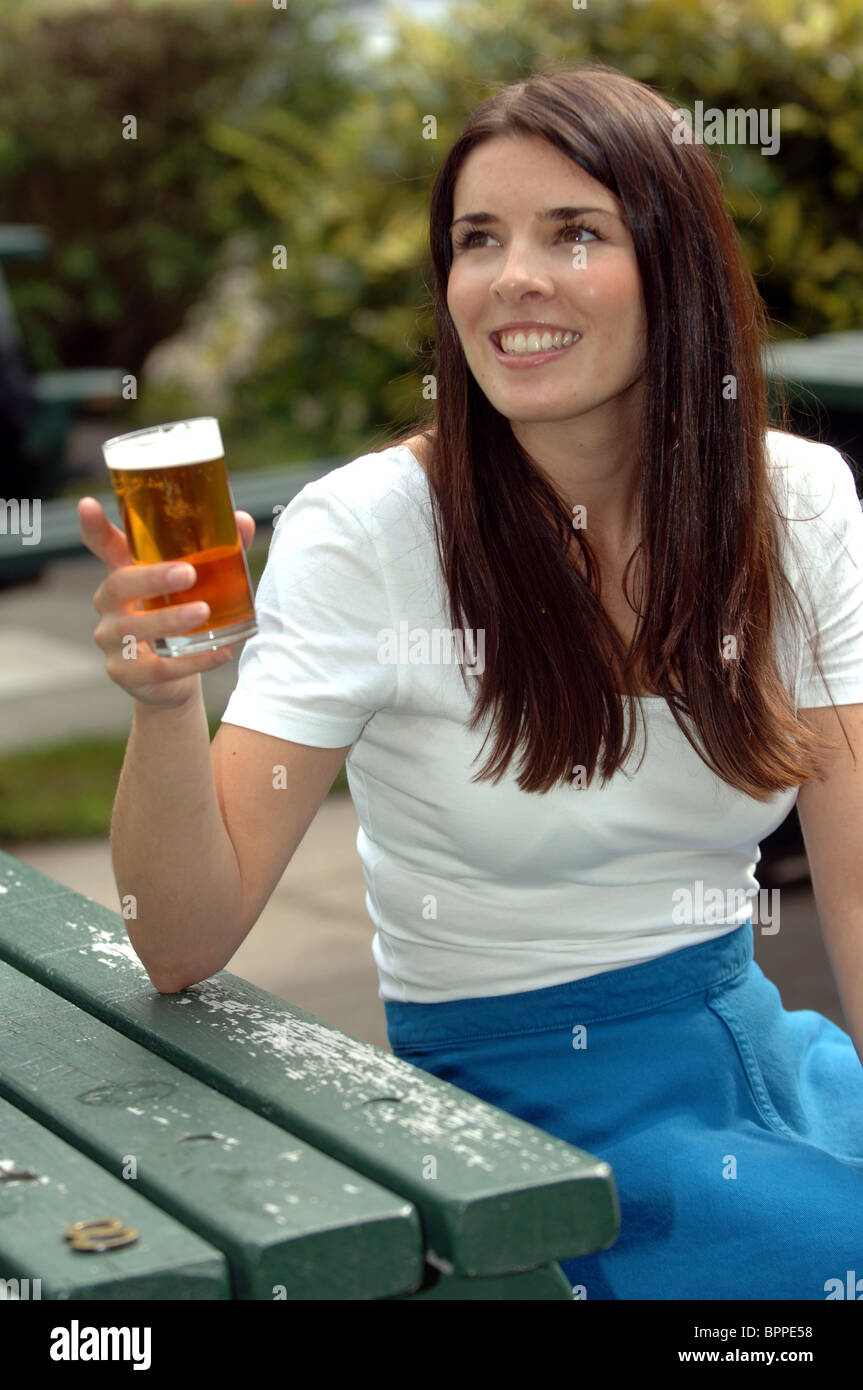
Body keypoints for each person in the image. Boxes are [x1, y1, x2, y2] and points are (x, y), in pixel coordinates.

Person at [79, 62, 863, 1301]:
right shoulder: (367, 531)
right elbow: (176, 943)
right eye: (476, 239)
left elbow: (855, 895)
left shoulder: (794, 501)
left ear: (677, 268)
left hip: (749, 1049)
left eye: (574, 233)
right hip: (510, 1115)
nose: (512, 279)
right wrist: (168, 707)